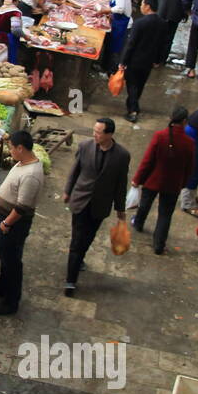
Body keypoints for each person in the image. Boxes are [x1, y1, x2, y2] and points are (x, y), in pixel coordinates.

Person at [61, 119, 131, 298]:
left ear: (109, 135)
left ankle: (79, 259)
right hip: (80, 200)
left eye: (99, 132)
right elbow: (75, 171)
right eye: (94, 130)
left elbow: (120, 184)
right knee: (77, 240)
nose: (95, 134)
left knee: (87, 238)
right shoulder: (85, 146)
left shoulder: (122, 156)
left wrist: (120, 209)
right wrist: (67, 191)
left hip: (100, 205)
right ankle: (71, 280)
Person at [0, 130, 44, 315]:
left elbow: (23, 206)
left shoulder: (32, 174)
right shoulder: (23, 162)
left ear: (21, 148)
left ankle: (11, 302)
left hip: (15, 223)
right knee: (4, 255)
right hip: (5, 217)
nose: (10, 151)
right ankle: (2, 285)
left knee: (12, 260)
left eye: (12, 148)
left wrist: (7, 223)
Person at [130, 107, 195, 253]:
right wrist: (183, 184)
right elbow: (189, 168)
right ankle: (159, 245)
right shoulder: (189, 143)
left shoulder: (160, 136)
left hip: (153, 179)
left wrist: (137, 179)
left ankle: (138, 223)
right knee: (165, 214)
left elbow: (148, 161)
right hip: (173, 184)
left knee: (145, 204)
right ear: (185, 122)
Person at [118, 0, 165, 122]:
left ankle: (133, 110)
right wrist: (158, 60)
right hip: (148, 61)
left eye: (142, 4)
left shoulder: (140, 23)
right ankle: (133, 106)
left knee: (132, 85)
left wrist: (123, 61)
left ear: (148, 6)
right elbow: (163, 44)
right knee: (140, 85)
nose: (141, 7)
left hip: (135, 60)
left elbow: (131, 43)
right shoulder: (162, 23)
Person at [104, 0, 132, 73]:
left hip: (122, 24)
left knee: (117, 49)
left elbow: (120, 9)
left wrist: (106, 10)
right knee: (112, 47)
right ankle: (109, 68)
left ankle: (113, 72)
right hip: (118, 22)